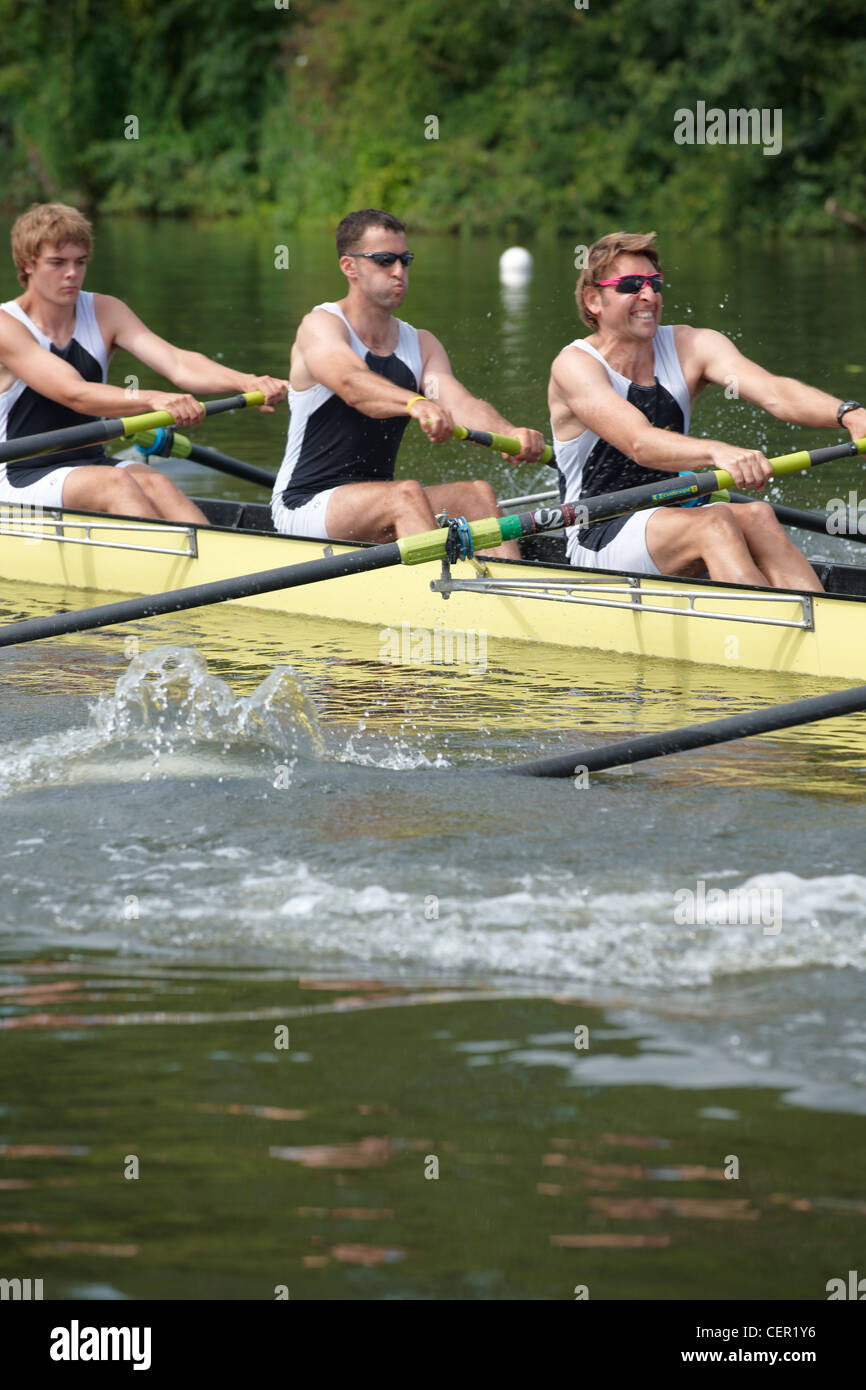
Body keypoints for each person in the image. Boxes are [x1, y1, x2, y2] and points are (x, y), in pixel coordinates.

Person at [548, 230, 866, 591]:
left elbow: (776, 393)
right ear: (594, 300)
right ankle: (766, 631)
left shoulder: (692, 345)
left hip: (675, 514)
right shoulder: (574, 366)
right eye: (632, 285)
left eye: (655, 283)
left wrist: (849, 413)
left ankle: (818, 624)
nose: (648, 295)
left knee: (758, 515)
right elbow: (639, 443)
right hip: (599, 533)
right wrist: (717, 451)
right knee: (715, 523)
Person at [271, 208, 546, 558]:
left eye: (405, 260)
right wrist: (416, 404)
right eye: (384, 260)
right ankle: (442, 602)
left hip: (378, 504)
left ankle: (509, 595)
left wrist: (510, 434)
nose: (399, 272)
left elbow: (459, 404)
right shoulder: (321, 326)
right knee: (405, 494)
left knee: (475, 495)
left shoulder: (421, 344)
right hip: (305, 506)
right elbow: (353, 383)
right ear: (349, 267)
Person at [0, 203, 287, 523]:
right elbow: (73, 393)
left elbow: (177, 362)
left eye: (80, 262)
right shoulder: (6, 326)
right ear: (27, 265)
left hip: (88, 464)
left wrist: (246, 381)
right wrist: (153, 399)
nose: (72, 274)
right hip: (17, 476)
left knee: (157, 484)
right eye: (57, 263)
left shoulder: (105, 311)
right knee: (117, 483)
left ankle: (224, 566)